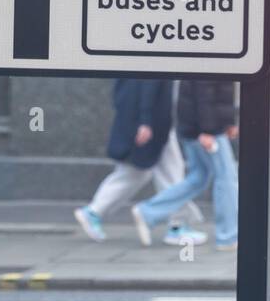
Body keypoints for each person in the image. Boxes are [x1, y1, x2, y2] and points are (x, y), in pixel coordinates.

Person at [74, 80, 205, 246]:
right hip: (154, 119)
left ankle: (94, 211)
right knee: (165, 171)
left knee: (139, 171)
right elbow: (150, 80)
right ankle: (176, 225)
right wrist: (145, 120)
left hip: (146, 115)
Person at [134, 79, 239, 250]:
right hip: (206, 129)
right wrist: (208, 129)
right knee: (226, 178)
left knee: (199, 177)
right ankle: (228, 236)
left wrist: (228, 122)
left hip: (195, 126)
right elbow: (204, 91)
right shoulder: (211, 55)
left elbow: (216, 91)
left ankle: (148, 212)